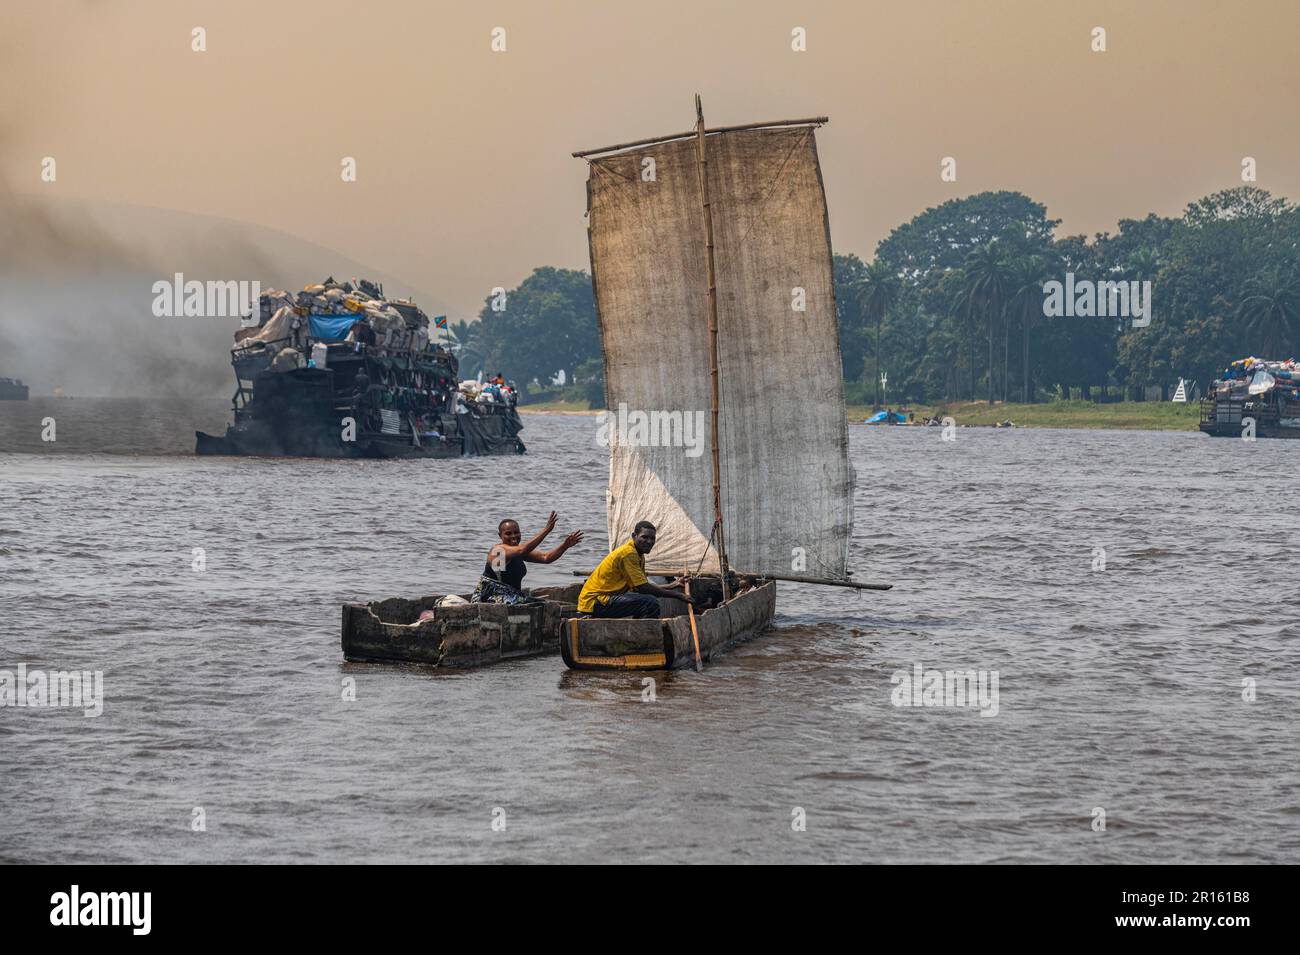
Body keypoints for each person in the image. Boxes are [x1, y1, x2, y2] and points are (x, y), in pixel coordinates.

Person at [578, 520, 696, 618]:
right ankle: (643, 638)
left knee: (647, 600)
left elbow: (639, 587)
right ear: (634, 536)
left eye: (652, 538)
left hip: (602, 600)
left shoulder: (639, 554)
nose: (649, 542)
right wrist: (678, 596)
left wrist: (673, 585)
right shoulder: (629, 553)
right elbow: (643, 588)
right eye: (644, 537)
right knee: (650, 603)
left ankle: (637, 632)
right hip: (594, 603)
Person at [475, 512, 583, 604]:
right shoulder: (497, 550)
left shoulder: (518, 552)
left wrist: (565, 546)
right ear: (500, 536)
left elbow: (546, 558)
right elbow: (523, 549)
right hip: (490, 598)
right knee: (539, 604)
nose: (513, 536)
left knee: (543, 604)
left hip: (511, 597)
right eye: (508, 533)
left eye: (516, 532)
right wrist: (546, 530)